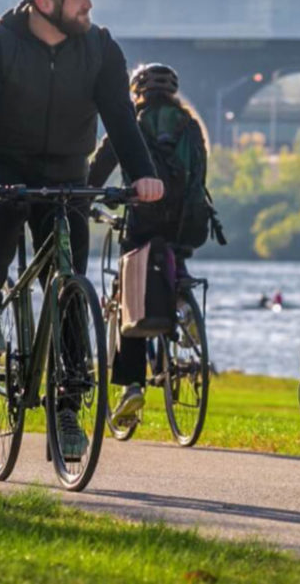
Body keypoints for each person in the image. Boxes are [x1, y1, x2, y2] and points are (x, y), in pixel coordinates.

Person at [0, 0, 164, 456]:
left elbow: (120, 117)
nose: (88, 4)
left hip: (68, 168)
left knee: (71, 285)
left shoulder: (100, 49)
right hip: (6, 164)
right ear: (45, 3)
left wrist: (144, 176)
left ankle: (66, 412)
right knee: (4, 216)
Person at [88, 62, 217, 429]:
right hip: (188, 223)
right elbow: (199, 177)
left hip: (143, 220)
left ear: (137, 91)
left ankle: (132, 386)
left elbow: (100, 166)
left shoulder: (131, 121)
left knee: (132, 295)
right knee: (172, 257)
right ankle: (183, 304)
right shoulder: (190, 125)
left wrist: (87, 193)